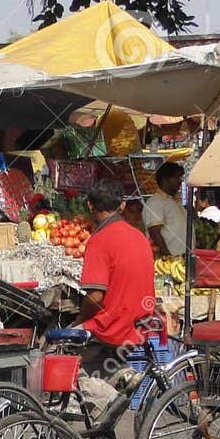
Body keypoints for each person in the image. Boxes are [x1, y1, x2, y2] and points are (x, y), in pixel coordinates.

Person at [75, 180, 158, 420]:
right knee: (94, 360)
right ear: (122, 206)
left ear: (90, 205)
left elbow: (95, 297)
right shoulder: (139, 237)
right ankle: (120, 375)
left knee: (56, 355)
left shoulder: (99, 240)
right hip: (139, 324)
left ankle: (107, 398)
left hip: (112, 325)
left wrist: (80, 320)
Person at [141, 162, 188, 259]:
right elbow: (155, 233)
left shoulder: (174, 201)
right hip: (170, 262)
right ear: (165, 180)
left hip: (182, 259)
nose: (180, 181)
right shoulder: (155, 202)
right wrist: (168, 258)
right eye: (176, 177)